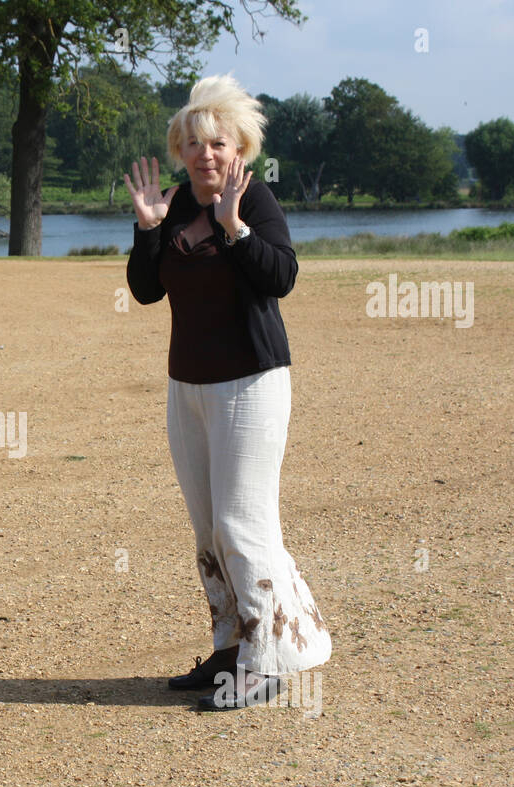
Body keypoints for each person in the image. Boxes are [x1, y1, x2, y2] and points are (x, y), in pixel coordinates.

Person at [123, 74, 330, 710]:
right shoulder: (175, 204)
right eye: (191, 143)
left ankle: (265, 659)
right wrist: (150, 229)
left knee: (243, 522)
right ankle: (229, 644)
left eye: (215, 142)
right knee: (208, 526)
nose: (203, 154)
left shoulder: (256, 199)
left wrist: (235, 227)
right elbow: (146, 290)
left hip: (251, 382)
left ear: (239, 146)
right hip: (187, 384)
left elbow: (282, 276)